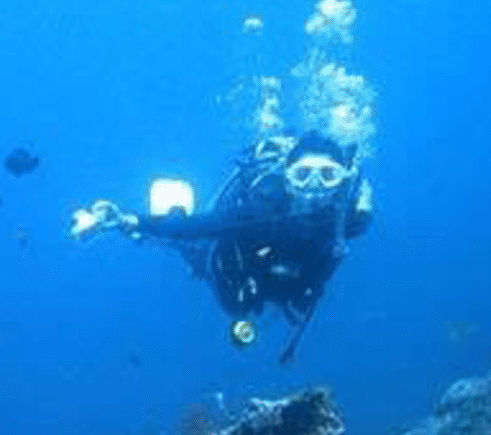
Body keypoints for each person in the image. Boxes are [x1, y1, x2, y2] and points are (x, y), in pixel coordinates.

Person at [70, 130, 373, 363]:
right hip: (232, 269)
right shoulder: (260, 211)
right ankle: (169, 213)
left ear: (343, 183)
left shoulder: (351, 220)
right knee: (197, 254)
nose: (316, 187)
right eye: (303, 175)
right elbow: (198, 227)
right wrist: (130, 220)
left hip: (289, 286)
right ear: (288, 179)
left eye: (329, 175)